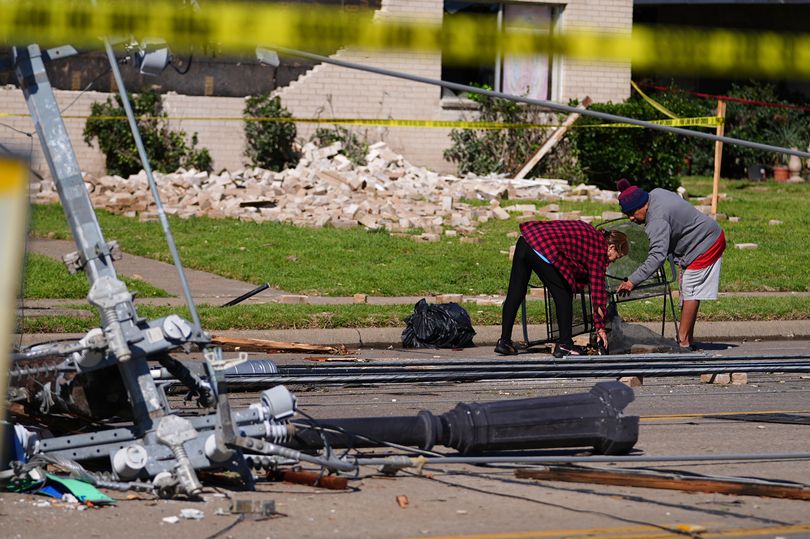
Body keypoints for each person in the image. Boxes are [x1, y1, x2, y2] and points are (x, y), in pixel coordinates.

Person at [615, 179, 726, 350]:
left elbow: (657, 257)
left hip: (706, 243)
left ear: (643, 206)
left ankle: (683, 343)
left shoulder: (657, 220)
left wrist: (632, 281)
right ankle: (686, 338)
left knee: (691, 290)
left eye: (632, 213)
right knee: (687, 291)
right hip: (701, 239)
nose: (631, 218)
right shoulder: (656, 193)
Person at [495, 220, 629, 357]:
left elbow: (572, 261)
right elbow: (597, 289)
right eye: (616, 257)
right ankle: (565, 344)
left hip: (526, 240)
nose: (612, 261)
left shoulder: (592, 234)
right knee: (563, 295)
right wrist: (600, 327)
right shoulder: (599, 249)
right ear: (611, 247)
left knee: (516, 292)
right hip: (542, 246)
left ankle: (504, 342)